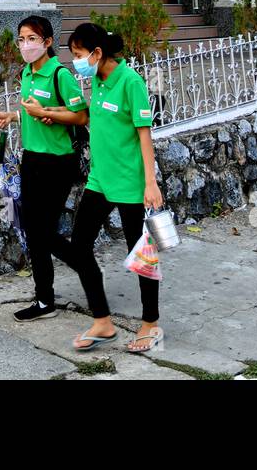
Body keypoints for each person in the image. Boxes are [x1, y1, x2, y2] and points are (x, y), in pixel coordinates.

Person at [64, 23, 164, 354]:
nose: (75, 62)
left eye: (78, 55)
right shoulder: (98, 79)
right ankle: (102, 321)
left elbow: (144, 134)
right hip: (100, 180)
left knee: (142, 255)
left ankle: (151, 323)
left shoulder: (130, 82)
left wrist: (151, 183)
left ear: (97, 53)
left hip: (131, 184)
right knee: (79, 246)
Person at [0, 16, 89, 322]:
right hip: (31, 158)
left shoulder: (60, 75)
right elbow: (31, 110)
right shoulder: (27, 74)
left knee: (42, 231)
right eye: (21, 39)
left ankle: (82, 264)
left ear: (47, 42)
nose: (25, 45)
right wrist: (13, 115)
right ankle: (45, 300)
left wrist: (49, 112)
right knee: (34, 232)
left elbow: (81, 116)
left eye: (32, 39)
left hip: (58, 162)